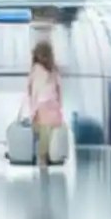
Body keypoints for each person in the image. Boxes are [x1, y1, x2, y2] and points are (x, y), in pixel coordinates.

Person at [26, 41, 64, 170]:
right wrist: (59, 104)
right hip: (52, 104)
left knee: (42, 132)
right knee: (49, 133)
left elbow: (31, 90)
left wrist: (32, 108)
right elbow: (59, 88)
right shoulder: (54, 70)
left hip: (41, 104)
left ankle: (41, 157)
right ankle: (48, 156)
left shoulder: (35, 70)